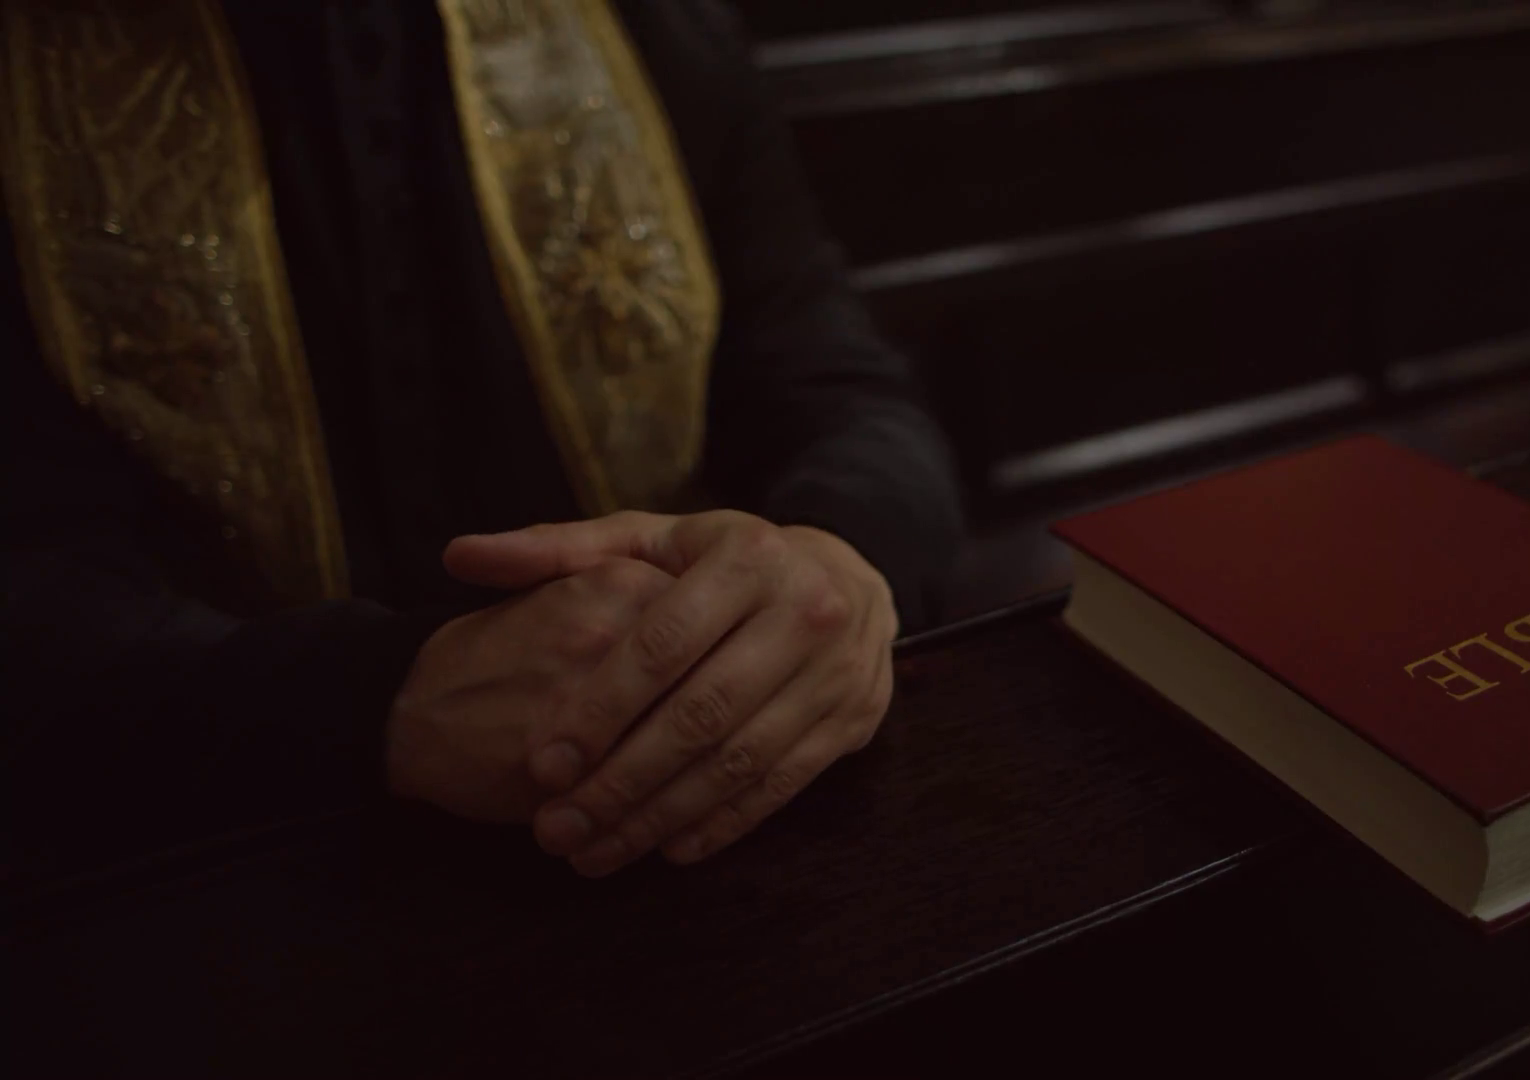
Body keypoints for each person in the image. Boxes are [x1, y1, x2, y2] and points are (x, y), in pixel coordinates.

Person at [0, 0, 962, 881]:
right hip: (211, 878)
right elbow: (36, 598)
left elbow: (849, 395)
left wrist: (831, 567)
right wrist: (381, 704)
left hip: (683, 832)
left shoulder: (654, 26)